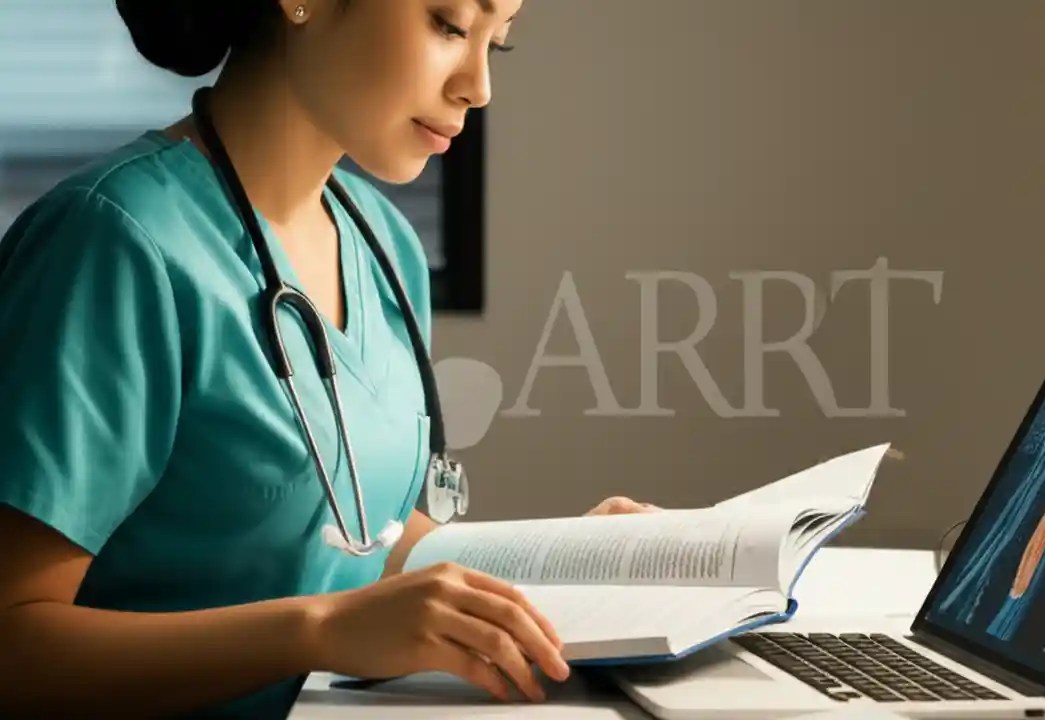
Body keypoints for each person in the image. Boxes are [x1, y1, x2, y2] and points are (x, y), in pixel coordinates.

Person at [0, 1, 656, 717]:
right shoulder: (114, 244)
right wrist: (317, 631)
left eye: (495, 47)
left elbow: (356, 529)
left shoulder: (383, 243)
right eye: (448, 25)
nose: (478, 86)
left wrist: (565, 562)